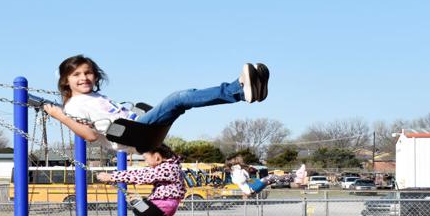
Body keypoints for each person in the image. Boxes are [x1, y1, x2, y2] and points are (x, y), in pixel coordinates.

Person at [39, 55, 269, 151]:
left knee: (180, 102)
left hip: (140, 127)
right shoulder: (72, 107)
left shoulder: (96, 97)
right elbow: (89, 136)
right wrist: (60, 116)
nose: (84, 78)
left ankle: (247, 91)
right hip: (132, 135)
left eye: (88, 73)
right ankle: (238, 88)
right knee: (178, 98)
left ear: (96, 76)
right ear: (66, 81)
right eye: (76, 75)